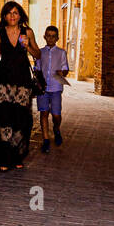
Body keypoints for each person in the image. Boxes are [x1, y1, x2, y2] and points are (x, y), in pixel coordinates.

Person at [0, 1, 40, 171]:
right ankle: (3, 158)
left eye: (15, 13)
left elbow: (38, 54)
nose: (12, 16)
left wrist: (28, 46)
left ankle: (17, 156)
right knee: (4, 117)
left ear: (20, 15)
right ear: (4, 16)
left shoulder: (27, 32)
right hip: (4, 80)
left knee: (21, 118)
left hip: (22, 80)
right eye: (9, 13)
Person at [37, 24, 69, 152]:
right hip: (43, 88)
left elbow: (65, 69)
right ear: (44, 37)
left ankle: (56, 128)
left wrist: (63, 72)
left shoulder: (61, 53)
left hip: (56, 87)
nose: (50, 38)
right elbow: (37, 69)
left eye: (53, 36)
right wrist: (38, 82)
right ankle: (46, 139)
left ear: (57, 38)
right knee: (44, 112)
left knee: (56, 115)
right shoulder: (40, 52)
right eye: (48, 36)